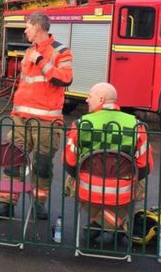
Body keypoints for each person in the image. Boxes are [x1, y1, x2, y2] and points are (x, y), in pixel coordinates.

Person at [0, 11, 73, 220]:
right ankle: (5, 203)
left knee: (42, 165)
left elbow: (65, 79)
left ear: (37, 27)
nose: (25, 30)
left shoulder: (61, 51)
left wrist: (40, 60)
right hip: (21, 118)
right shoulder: (29, 50)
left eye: (27, 26)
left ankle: (39, 203)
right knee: (12, 160)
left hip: (46, 121)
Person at [63, 82, 153, 238]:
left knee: (70, 176)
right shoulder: (136, 126)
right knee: (140, 180)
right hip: (122, 191)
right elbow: (145, 166)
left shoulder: (80, 124)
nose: (86, 100)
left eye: (90, 96)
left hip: (87, 189)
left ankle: (101, 223)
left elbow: (69, 162)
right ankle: (111, 223)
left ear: (101, 99)